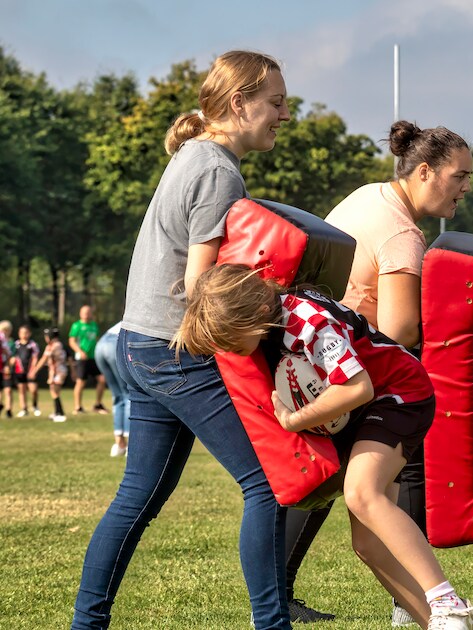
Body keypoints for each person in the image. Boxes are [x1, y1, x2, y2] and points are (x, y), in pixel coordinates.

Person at [71, 50, 294, 630]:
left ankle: (86, 623)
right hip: (174, 351)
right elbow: (200, 286)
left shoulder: (194, 154)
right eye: (276, 103)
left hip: (139, 345)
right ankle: (273, 624)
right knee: (268, 483)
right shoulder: (219, 169)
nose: (284, 114)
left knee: (136, 498)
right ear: (240, 102)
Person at [175, 263, 473, 630]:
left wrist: (295, 421)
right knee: (367, 545)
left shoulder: (308, 322)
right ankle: (439, 623)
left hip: (399, 394)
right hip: (363, 410)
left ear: (257, 312)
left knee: (362, 493)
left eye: (230, 339)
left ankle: (447, 603)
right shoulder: (268, 323)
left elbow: (358, 388)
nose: (227, 350)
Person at [284, 120, 472, 626]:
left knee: (342, 495)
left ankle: (428, 609)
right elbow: (398, 329)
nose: (466, 186)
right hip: (365, 372)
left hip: (321, 357)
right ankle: (434, 603)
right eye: (459, 175)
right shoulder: (402, 232)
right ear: (426, 172)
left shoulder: (369, 196)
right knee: (367, 490)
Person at [93, 324, 130, 457]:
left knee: (117, 396)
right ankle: (131, 446)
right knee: (129, 395)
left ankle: (119, 445)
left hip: (101, 345)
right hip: (116, 343)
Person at [69, 304, 108, 414]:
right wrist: (80, 352)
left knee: (102, 380)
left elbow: (96, 340)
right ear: (80, 314)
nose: (86, 314)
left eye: (88, 312)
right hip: (82, 359)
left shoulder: (94, 326)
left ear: (91, 314)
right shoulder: (76, 326)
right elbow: (71, 341)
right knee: (81, 382)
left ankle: (98, 405)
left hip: (94, 358)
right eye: (84, 312)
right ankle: (78, 407)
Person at [32, 328, 69, 422]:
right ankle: (57, 412)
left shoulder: (52, 346)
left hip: (57, 371)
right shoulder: (59, 344)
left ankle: (60, 413)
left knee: (54, 392)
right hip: (59, 371)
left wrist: (35, 370)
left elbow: (44, 358)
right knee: (55, 392)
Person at [11, 324, 40, 417]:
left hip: (30, 370)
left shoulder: (32, 345)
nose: (24, 334)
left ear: (29, 334)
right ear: (19, 334)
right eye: (22, 333)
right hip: (19, 371)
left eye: (26, 333)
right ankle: (24, 408)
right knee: (22, 390)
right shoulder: (16, 345)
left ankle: (35, 406)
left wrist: (33, 369)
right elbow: (12, 356)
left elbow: (35, 357)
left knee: (33, 389)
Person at [0, 320, 13, 418]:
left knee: (7, 389)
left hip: (3, 366)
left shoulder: (3, 339)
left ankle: (9, 410)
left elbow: (7, 353)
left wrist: (7, 366)